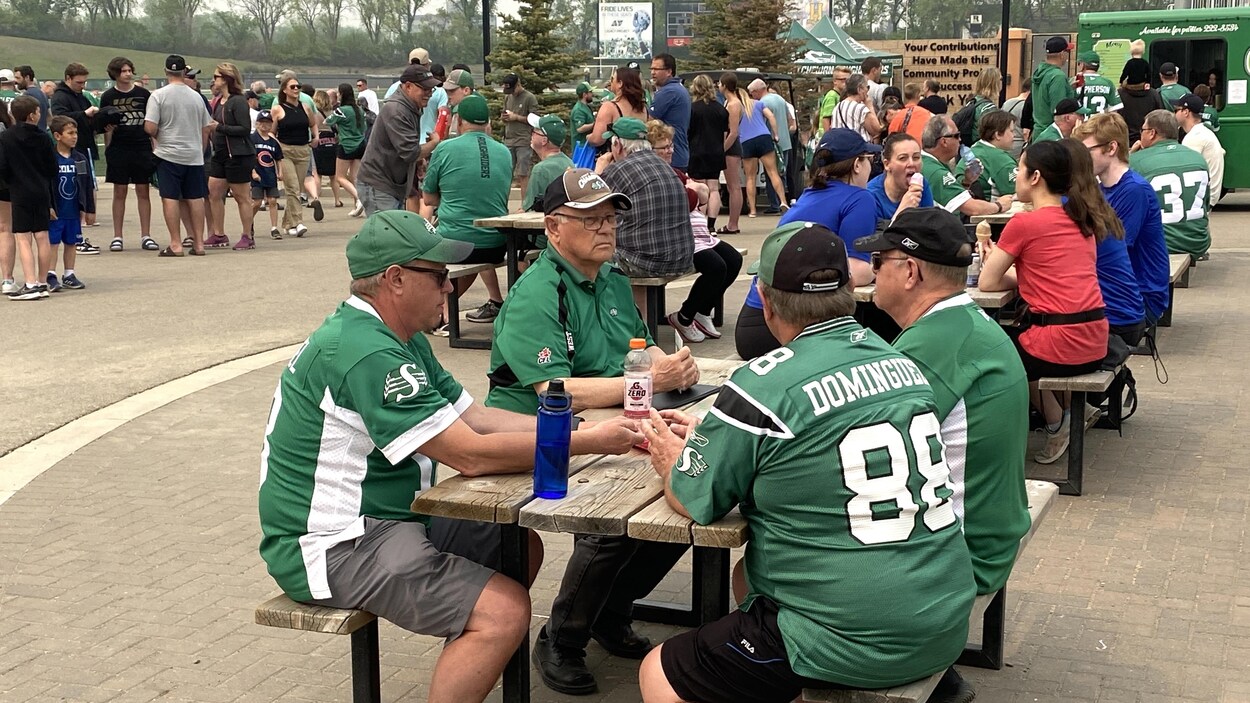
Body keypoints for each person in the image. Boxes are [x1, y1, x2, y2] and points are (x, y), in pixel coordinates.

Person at [258, 209, 644, 703]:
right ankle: (475, 636)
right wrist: (589, 441)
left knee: (519, 546)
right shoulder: (366, 350)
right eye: (438, 276)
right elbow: (471, 455)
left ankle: (466, 647)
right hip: (333, 544)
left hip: (386, 522)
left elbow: (475, 418)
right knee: (504, 612)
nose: (450, 287)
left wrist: (583, 428)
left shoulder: (396, 337)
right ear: (395, 280)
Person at [639, 220, 976, 703]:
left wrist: (675, 457)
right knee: (747, 580)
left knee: (660, 671)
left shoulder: (762, 383)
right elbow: (810, 447)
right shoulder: (905, 363)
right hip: (943, 612)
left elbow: (695, 500)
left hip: (856, 637)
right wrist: (720, 442)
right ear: (847, 291)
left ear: (766, 301)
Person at [484, 168, 701, 696]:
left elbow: (636, 350)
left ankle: (608, 610)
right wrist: (652, 377)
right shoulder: (539, 290)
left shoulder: (611, 278)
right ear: (554, 229)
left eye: (610, 218)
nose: (607, 229)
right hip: (541, 436)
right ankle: (562, 637)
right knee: (610, 523)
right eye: (591, 219)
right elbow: (555, 392)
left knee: (689, 494)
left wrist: (673, 364)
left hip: (611, 419)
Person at [856, 207, 1031, 703]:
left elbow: (849, 450)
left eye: (879, 259)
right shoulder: (962, 323)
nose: (870, 270)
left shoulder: (934, 342)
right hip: (990, 527)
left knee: (768, 566)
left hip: (964, 552)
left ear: (910, 271)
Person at [979, 140, 1116, 464]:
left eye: (1020, 170)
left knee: (1000, 356)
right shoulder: (1081, 218)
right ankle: (1067, 416)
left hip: (1060, 343)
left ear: (1035, 176)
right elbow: (1057, 276)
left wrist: (1002, 267)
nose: (1016, 177)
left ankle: (1057, 423)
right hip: (1096, 340)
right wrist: (1023, 276)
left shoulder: (1024, 223)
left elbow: (987, 282)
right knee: (1027, 342)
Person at [734, 129, 880, 359]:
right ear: (857, 165)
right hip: (800, 327)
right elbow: (857, 271)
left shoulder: (809, 194)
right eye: (869, 160)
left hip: (756, 323)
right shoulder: (859, 198)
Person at [420, 94, 511, 331]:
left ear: (459, 122)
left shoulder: (445, 149)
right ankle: (445, 312)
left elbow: (428, 198)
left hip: (455, 243)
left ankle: (439, 313)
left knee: (426, 251)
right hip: (496, 244)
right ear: (488, 123)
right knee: (474, 250)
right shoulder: (504, 152)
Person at [649, 120, 743, 344]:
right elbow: (692, 197)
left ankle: (702, 310)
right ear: (650, 150)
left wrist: (693, 193)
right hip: (677, 238)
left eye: (671, 145)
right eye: (664, 147)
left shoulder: (674, 172)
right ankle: (684, 316)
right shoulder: (655, 173)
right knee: (716, 267)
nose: (670, 150)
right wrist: (692, 193)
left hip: (699, 234)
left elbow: (700, 194)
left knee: (734, 259)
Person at [1075, 112, 1169, 326]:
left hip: (1138, 296)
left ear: (1111, 148)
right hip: (1118, 288)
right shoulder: (1101, 189)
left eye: (1086, 151)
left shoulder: (1134, 190)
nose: (1081, 159)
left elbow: (1110, 253)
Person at [596, 117, 694, 282]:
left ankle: (611, 307)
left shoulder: (617, 170)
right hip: (682, 258)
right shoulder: (665, 165)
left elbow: (593, 207)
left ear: (617, 145)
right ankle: (638, 307)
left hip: (647, 262)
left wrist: (599, 170)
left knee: (585, 255)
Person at [144, 54, 214, 257]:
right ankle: (199, 243)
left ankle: (176, 243)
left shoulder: (158, 95)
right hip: (192, 154)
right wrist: (199, 151)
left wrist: (158, 133)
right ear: (184, 72)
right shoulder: (196, 97)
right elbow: (206, 127)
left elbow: (150, 126)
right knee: (195, 198)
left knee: (170, 198)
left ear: (166, 72)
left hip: (168, 153)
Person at [357, 65, 442, 216]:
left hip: (390, 185)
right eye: (425, 89)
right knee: (387, 236)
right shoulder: (397, 110)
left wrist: (418, 161)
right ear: (408, 86)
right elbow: (411, 153)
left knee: (392, 235)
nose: (429, 94)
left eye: (431, 90)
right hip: (379, 185)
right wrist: (434, 143)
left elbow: (406, 149)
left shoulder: (410, 106)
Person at [1130, 109, 1212, 261]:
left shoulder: (1137, 161)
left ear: (1152, 133)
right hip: (1198, 242)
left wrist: (1130, 156)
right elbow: (1206, 202)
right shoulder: (1198, 159)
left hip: (1159, 245)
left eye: (1143, 130)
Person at [99, 56, 158, 252]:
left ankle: (146, 235)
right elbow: (105, 126)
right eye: (123, 71)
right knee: (120, 191)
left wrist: (154, 146)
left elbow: (151, 121)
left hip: (141, 146)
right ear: (115, 73)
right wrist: (108, 148)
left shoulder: (143, 94)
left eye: (129, 70)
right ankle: (118, 236)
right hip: (119, 147)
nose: (127, 74)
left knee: (143, 190)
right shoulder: (108, 96)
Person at [0, 95, 56, 299]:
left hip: (19, 191)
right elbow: (52, 166)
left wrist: (11, 182)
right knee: (42, 236)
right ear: (32, 115)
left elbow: (3, 166)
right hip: (41, 189)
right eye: (39, 111)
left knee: (23, 238)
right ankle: (42, 282)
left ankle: (30, 282)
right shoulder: (43, 137)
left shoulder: (6, 137)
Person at [205, 63, 257, 251]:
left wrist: (218, 127)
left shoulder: (238, 101)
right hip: (220, 155)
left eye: (217, 76)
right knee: (214, 193)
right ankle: (219, 234)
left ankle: (247, 235)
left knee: (241, 196)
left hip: (239, 155)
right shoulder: (218, 101)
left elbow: (244, 129)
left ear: (226, 79)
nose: (214, 80)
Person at [921, 115, 1012, 217]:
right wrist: (999, 205)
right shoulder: (935, 172)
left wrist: (966, 182)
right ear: (944, 141)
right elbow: (972, 209)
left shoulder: (930, 163)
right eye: (956, 135)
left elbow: (953, 201)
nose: (960, 139)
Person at [269, 74, 318, 237]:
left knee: (297, 188)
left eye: (298, 86)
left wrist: (316, 136)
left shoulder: (305, 107)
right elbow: (271, 131)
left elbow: (313, 123)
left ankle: (287, 223)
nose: (296, 89)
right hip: (286, 151)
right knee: (293, 188)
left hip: (303, 150)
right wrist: (276, 147)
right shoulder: (278, 109)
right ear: (284, 90)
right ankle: (298, 222)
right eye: (292, 87)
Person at [47, 116, 90, 291]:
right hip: (56, 211)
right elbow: (46, 184)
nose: (74, 136)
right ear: (57, 136)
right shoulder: (51, 158)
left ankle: (69, 274)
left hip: (74, 210)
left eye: (76, 133)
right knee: (53, 243)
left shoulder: (79, 158)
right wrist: (48, 205)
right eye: (70, 133)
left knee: (71, 242)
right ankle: (50, 274)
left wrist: (88, 208)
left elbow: (86, 184)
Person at [735, 79, 788, 219]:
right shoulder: (759, 104)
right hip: (763, 137)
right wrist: (775, 134)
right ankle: (783, 201)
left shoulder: (737, 107)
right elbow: (770, 116)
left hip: (746, 141)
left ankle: (752, 210)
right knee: (773, 172)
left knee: (750, 177)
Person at [686, 74, 728, 232]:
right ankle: (711, 225)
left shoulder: (692, 108)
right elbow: (724, 133)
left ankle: (700, 224)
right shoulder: (720, 109)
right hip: (716, 151)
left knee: (700, 188)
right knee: (714, 188)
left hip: (697, 151)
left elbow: (688, 132)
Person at [867, 132, 935, 223]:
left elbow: (929, 227)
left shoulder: (922, 186)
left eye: (916, 157)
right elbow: (875, 237)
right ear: (887, 164)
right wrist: (903, 211)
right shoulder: (871, 196)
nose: (911, 163)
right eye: (903, 158)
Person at [1173, 93, 1224, 209]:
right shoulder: (1202, 132)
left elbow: (1184, 171)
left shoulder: (1195, 137)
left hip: (1201, 199)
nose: (1174, 113)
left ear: (1186, 112)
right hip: (1206, 197)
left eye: (1176, 110)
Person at [327, 83, 367, 218]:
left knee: (340, 177)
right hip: (360, 144)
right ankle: (358, 206)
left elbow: (328, 121)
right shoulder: (359, 110)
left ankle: (359, 198)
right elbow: (364, 127)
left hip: (346, 145)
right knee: (355, 177)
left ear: (342, 94)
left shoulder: (341, 110)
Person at [961, 109, 1018, 199]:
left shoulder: (975, 148)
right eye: (1011, 131)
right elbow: (1022, 192)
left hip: (961, 208)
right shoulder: (1001, 159)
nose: (1014, 135)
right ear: (998, 135)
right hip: (984, 209)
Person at [50, 63, 100, 163]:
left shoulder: (81, 97)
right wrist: (84, 114)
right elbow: (59, 119)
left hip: (85, 148)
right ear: (68, 78)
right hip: (72, 150)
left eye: (84, 83)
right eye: (79, 82)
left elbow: (87, 122)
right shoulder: (60, 97)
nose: (82, 86)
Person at [500, 73, 540, 198]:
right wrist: (505, 118)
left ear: (518, 84)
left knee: (523, 173)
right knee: (507, 173)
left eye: (512, 89)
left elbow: (535, 119)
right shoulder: (508, 98)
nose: (511, 92)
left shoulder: (529, 98)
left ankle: (525, 204)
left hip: (523, 139)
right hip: (509, 139)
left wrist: (516, 117)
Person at [648, 53, 690, 172]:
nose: (652, 73)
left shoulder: (669, 91)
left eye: (657, 69)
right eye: (651, 69)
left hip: (670, 156)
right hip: (679, 154)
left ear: (669, 71)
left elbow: (649, 122)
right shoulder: (679, 88)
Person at [524, 114, 574, 212]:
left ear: (544, 140)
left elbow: (529, 209)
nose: (532, 135)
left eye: (534, 131)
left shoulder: (541, 170)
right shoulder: (569, 162)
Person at [716, 73, 745, 234]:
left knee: (734, 186)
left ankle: (733, 224)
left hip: (731, 148)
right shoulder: (728, 101)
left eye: (720, 84)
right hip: (728, 146)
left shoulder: (734, 104)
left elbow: (733, 132)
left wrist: (722, 150)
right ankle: (732, 223)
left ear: (725, 85)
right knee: (731, 186)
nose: (718, 86)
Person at [1031, 36, 1076, 136]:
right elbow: (1059, 109)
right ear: (1061, 54)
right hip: (1052, 133)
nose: (1067, 55)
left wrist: (1068, 88)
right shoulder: (1057, 76)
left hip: (1038, 131)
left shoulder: (1039, 72)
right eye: (1067, 52)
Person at [251, 110, 284, 240]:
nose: (264, 125)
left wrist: (280, 172)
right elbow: (248, 158)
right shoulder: (252, 139)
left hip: (269, 175)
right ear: (257, 124)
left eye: (267, 123)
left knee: (273, 200)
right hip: (257, 174)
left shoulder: (273, 142)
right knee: (257, 202)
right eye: (262, 123)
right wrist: (252, 172)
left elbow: (278, 158)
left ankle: (274, 228)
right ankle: (249, 222)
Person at [830, 74, 880, 142]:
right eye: (867, 87)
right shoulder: (860, 108)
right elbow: (876, 130)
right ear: (859, 89)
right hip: (858, 149)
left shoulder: (837, 107)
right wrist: (870, 106)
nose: (867, 90)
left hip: (839, 147)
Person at [1075, 51, 1121, 116]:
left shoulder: (1075, 82)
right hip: (1100, 124)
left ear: (1082, 65)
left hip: (1080, 124)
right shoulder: (1108, 83)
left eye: (1079, 63)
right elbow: (1114, 110)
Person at [13, 66, 49, 131]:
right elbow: (49, 116)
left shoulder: (27, 96)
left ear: (27, 77)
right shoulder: (42, 93)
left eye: (18, 78)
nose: (15, 81)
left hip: (32, 134)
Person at [970, 67, 1002, 137]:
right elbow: (991, 135)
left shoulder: (973, 101)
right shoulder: (988, 108)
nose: (1001, 82)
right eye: (1000, 79)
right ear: (994, 83)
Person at [1002, 78, 1030, 157]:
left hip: (1004, 144)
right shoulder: (1026, 107)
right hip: (1018, 146)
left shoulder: (1007, 102)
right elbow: (1026, 132)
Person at [817, 68, 850, 132]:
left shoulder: (840, 95)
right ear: (835, 81)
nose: (846, 83)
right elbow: (826, 119)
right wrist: (829, 137)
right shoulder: (832, 96)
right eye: (843, 80)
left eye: (848, 80)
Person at [570, 81, 596, 150]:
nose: (592, 94)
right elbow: (580, 128)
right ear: (585, 94)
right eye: (590, 92)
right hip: (581, 148)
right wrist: (596, 124)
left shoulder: (585, 107)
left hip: (587, 146)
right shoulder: (578, 109)